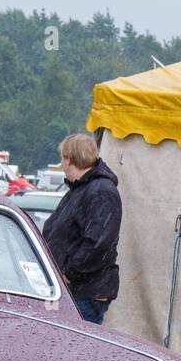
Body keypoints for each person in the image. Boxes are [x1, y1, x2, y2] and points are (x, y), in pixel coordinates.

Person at [41, 133, 122, 326]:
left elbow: (98, 242)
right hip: (73, 291)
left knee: (75, 350)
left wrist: (68, 273)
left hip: (86, 292)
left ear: (68, 159)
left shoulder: (101, 191)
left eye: (62, 159)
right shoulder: (80, 190)